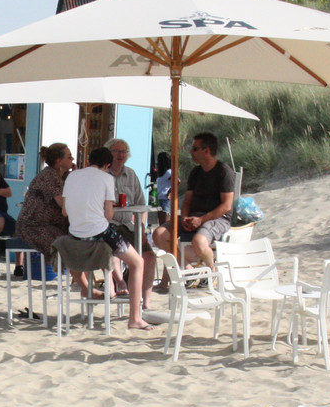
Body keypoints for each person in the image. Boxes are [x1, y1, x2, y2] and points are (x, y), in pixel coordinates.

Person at [60, 145, 153, 330]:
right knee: (137, 263)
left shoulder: (72, 176)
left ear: (89, 161)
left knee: (87, 258)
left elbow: (64, 211)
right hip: (99, 232)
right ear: (107, 165)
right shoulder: (106, 178)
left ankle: (96, 287)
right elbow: (108, 215)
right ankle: (135, 318)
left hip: (74, 234)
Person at [152, 132, 235, 270]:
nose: (191, 152)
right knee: (159, 234)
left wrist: (201, 219)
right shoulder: (195, 172)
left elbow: (226, 205)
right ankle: (187, 268)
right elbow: (187, 202)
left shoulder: (224, 172)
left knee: (199, 242)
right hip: (194, 216)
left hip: (218, 218)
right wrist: (184, 218)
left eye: (195, 149)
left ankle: (212, 271)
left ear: (206, 151)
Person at [107, 138, 156, 307]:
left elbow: (141, 206)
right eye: (116, 151)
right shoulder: (103, 175)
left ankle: (146, 300)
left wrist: (141, 229)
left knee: (150, 255)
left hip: (128, 224)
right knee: (114, 250)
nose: (120, 155)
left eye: (123, 152)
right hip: (109, 223)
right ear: (108, 153)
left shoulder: (131, 174)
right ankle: (120, 281)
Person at [15, 143, 74, 259]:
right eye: (69, 156)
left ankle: (77, 275)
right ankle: (76, 275)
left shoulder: (62, 176)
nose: (72, 159)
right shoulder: (49, 176)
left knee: (81, 241)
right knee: (69, 245)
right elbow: (63, 203)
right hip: (35, 227)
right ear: (59, 161)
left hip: (50, 225)